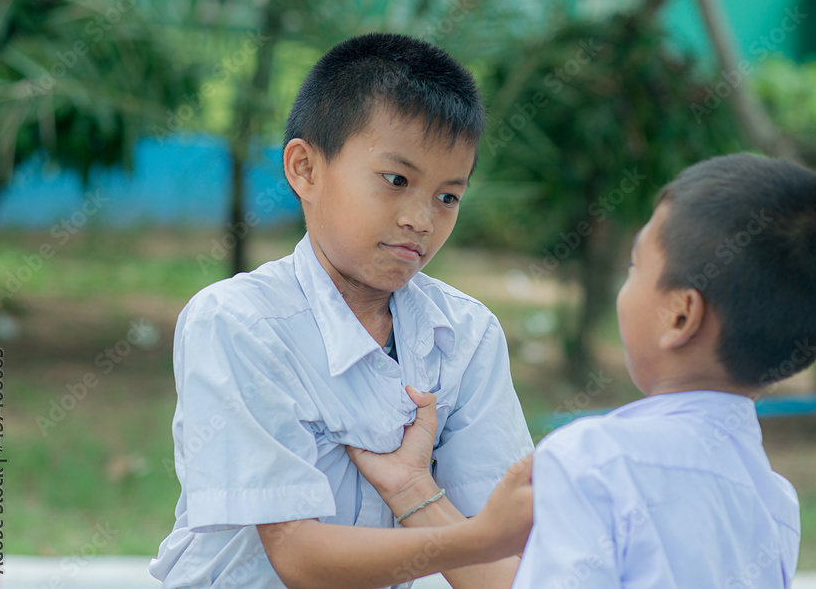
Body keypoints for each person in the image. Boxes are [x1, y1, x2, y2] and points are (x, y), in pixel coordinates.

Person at [150, 32, 534, 589]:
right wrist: (474, 539)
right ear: (306, 169)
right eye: (396, 180)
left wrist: (415, 492)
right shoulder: (238, 322)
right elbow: (298, 556)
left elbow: (501, 577)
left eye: (448, 196)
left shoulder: (466, 335)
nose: (421, 219)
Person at [510, 153, 816, 588]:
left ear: (679, 315)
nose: (626, 284)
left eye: (635, 266)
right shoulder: (775, 505)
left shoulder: (592, 460)